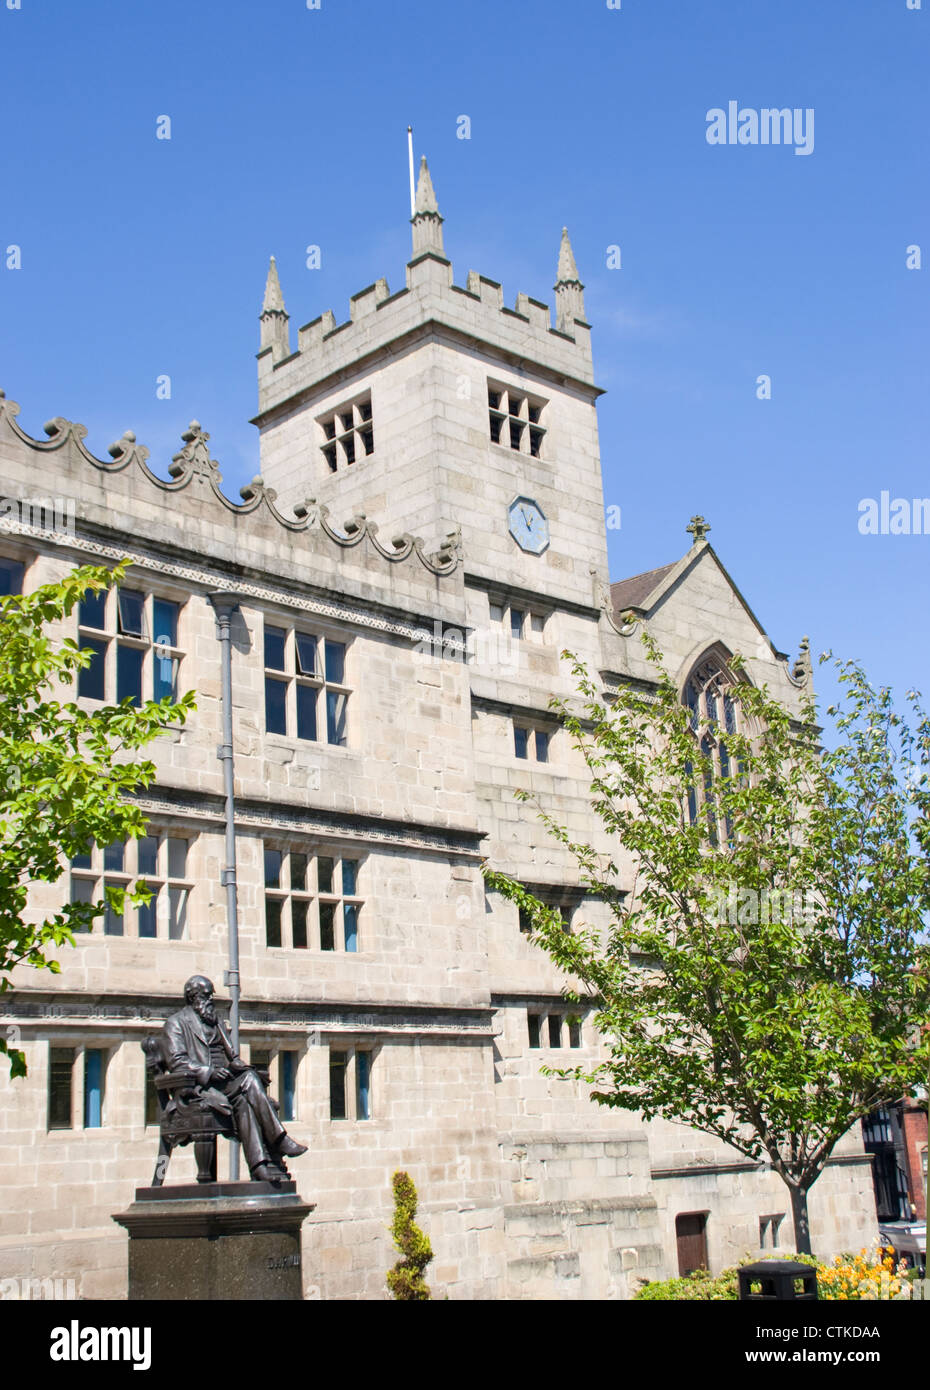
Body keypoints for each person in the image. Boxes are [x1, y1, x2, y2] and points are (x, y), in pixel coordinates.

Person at [162, 974, 307, 1183]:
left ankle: (259, 1167)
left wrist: (237, 1065)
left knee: (247, 1092)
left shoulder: (216, 1021)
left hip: (225, 1083)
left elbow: (231, 1055)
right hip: (196, 1088)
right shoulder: (176, 1023)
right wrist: (208, 1072)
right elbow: (177, 1062)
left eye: (211, 995)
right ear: (192, 997)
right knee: (248, 1086)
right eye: (205, 995)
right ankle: (279, 1140)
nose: (210, 1000)